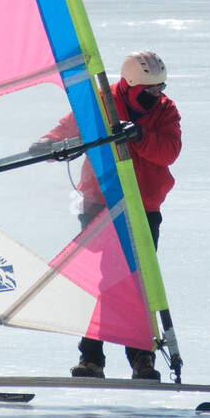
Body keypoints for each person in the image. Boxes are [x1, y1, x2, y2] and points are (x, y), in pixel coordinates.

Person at [31, 50, 181, 380]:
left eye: (161, 87)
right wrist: (48, 144)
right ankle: (91, 359)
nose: (158, 95)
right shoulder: (103, 103)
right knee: (101, 283)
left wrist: (139, 136)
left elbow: (169, 150)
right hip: (101, 204)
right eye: (150, 90)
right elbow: (69, 129)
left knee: (139, 283)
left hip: (144, 209)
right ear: (129, 86)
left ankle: (142, 359)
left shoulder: (166, 110)